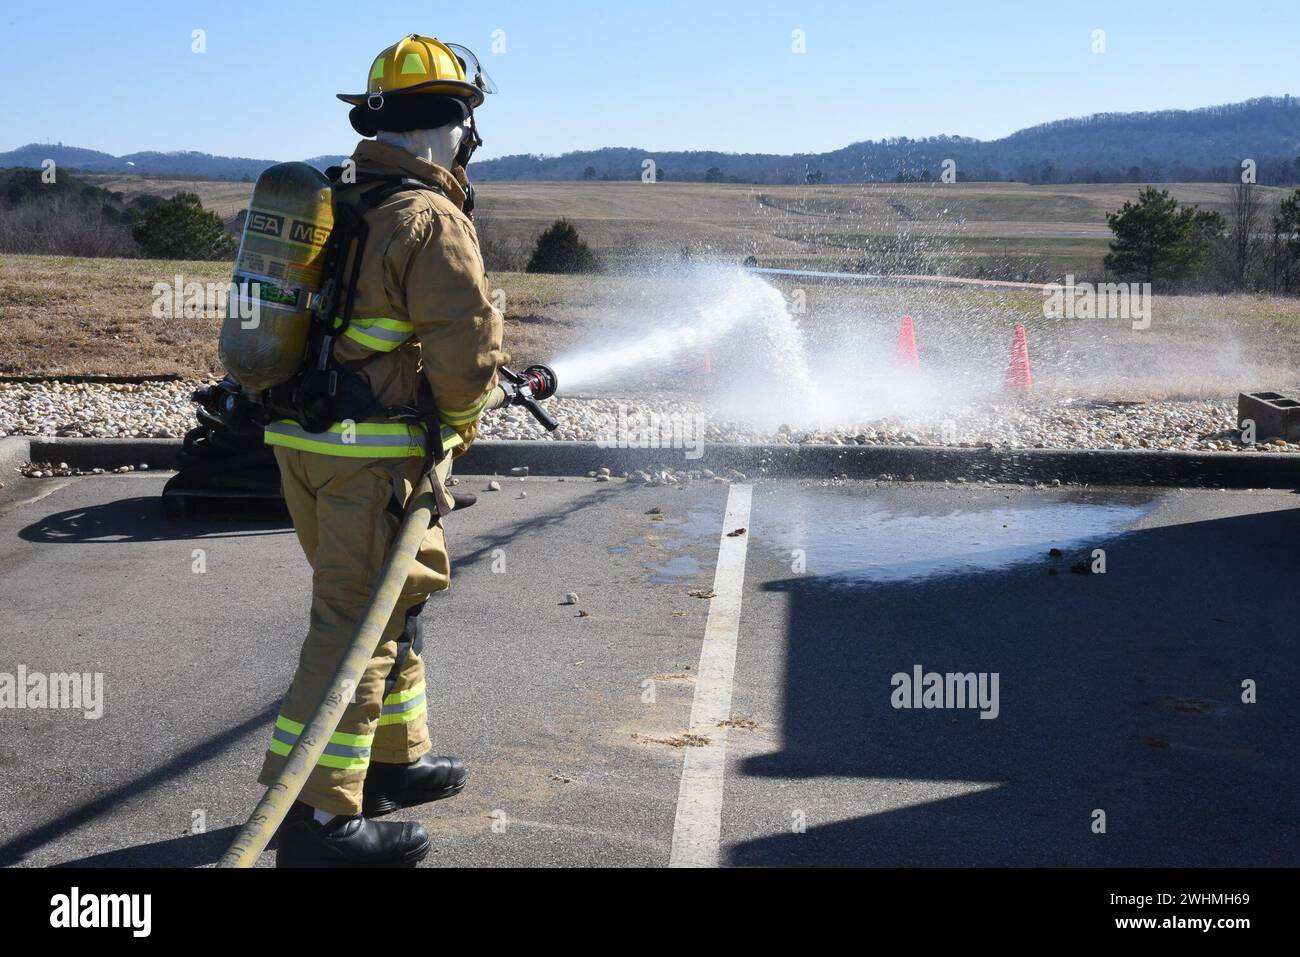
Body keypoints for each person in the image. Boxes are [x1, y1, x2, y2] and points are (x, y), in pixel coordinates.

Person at [261, 34, 504, 868]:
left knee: (390, 611)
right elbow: (464, 356)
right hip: (373, 462)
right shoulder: (430, 218)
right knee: (355, 629)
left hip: (305, 444)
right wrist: (464, 427)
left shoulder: (341, 198)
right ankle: (319, 821)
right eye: (467, 124)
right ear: (452, 124)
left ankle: (394, 764)